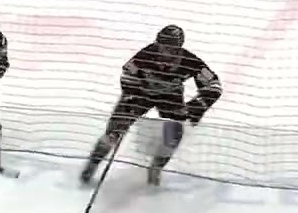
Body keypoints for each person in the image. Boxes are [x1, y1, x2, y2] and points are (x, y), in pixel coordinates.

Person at [79, 25, 222, 187]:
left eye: (168, 48)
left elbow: (214, 86)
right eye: (160, 45)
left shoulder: (191, 62)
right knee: (113, 131)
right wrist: (131, 95)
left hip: (170, 97)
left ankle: (156, 169)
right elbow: (128, 74)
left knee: (174, 134)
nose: (162, 51)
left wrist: (196, 107)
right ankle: (92, 166)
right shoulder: (146, 54)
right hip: (141, 93)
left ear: (178, 49)